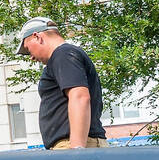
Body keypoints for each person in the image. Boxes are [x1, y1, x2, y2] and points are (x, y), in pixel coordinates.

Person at [16, 17, 108, 150]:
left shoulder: (62, 54)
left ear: (37, 37)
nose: (31, 57)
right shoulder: (64, 56)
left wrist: (77, 151)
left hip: (74, 144)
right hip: (77, 144)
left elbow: (80, 97)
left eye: (28, 49)